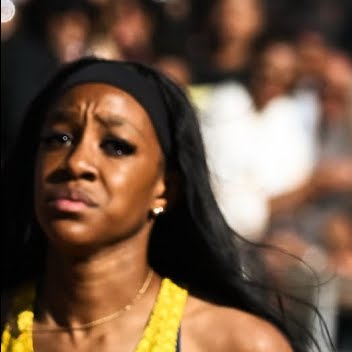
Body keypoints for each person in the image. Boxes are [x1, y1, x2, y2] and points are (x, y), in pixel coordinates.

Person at [0, 57, 319, 351]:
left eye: (116, 146)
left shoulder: (237, 344)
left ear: (165, 188)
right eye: (59, 138)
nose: (78, 162)